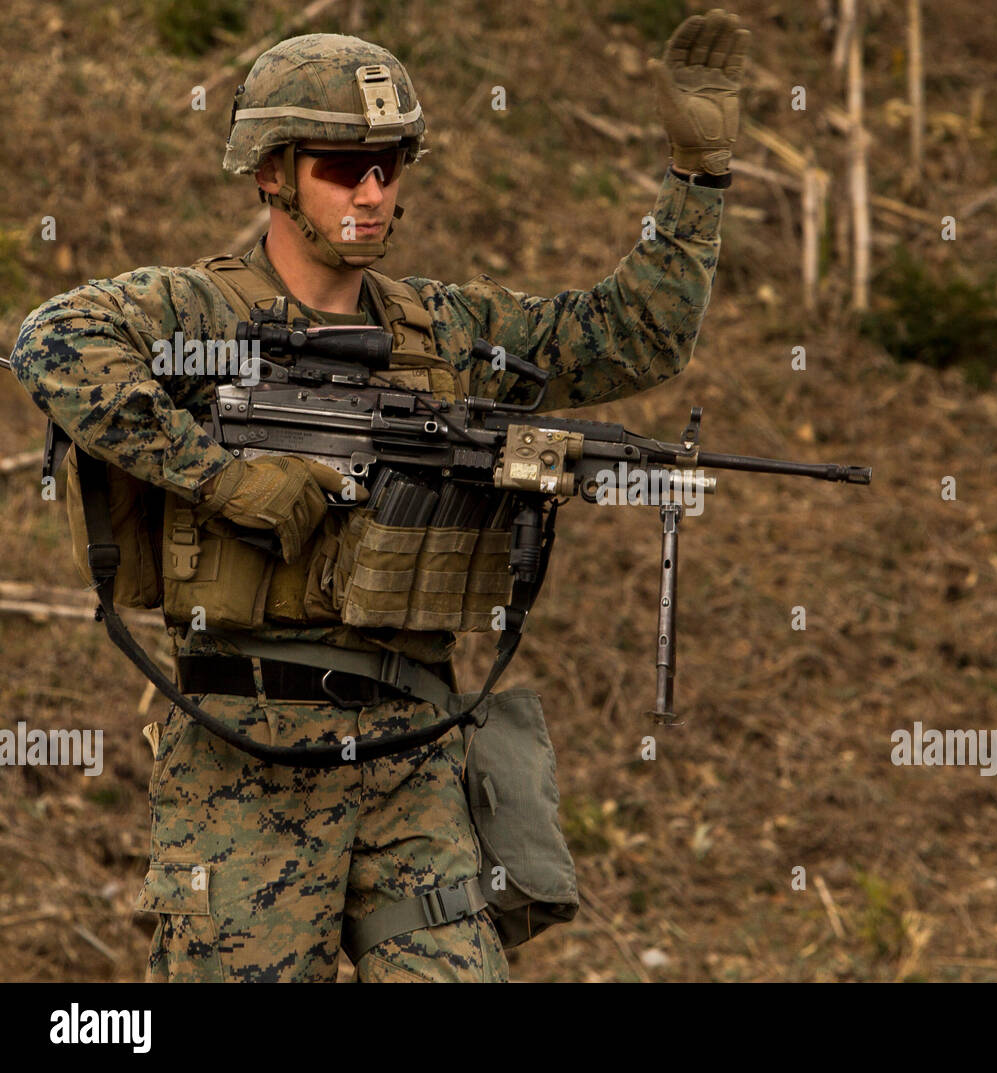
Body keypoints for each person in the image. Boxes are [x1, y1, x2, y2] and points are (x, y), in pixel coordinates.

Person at [8, 12, 747, 982]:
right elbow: (52, 342)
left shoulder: (441, 329)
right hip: (248, 757)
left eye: (390, 166)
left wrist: (695, 180)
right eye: (340, 164)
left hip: (411, 754)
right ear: (269, 169)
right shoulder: (198, 312)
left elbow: (630, 336)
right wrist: (221, 476)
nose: (370, 190)